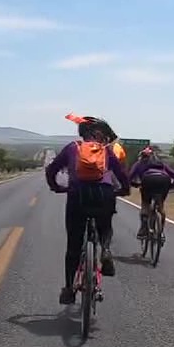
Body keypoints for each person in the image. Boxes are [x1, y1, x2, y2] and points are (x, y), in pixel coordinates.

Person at [45, 116, 131, 305]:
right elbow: (121, 174)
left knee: (73, 245)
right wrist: (124, 189)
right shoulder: (106, 151)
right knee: (105, 226)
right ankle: (106, 250)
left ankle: (68, 289)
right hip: (104, 194)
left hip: (77, 195)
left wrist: (56, 187)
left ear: (81, 134)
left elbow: (51, 170)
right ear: (100, 134)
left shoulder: (71, 148)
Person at [130, 146, 174, 239]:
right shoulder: (161, 164)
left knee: (145, 204)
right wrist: (171, 186)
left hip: (147, 180)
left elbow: (130, 177)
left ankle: (143, 229)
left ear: (141, 156)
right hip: (164, 180)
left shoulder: (139, 163)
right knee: (160, 206)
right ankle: (161, 233)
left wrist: (134, 184)